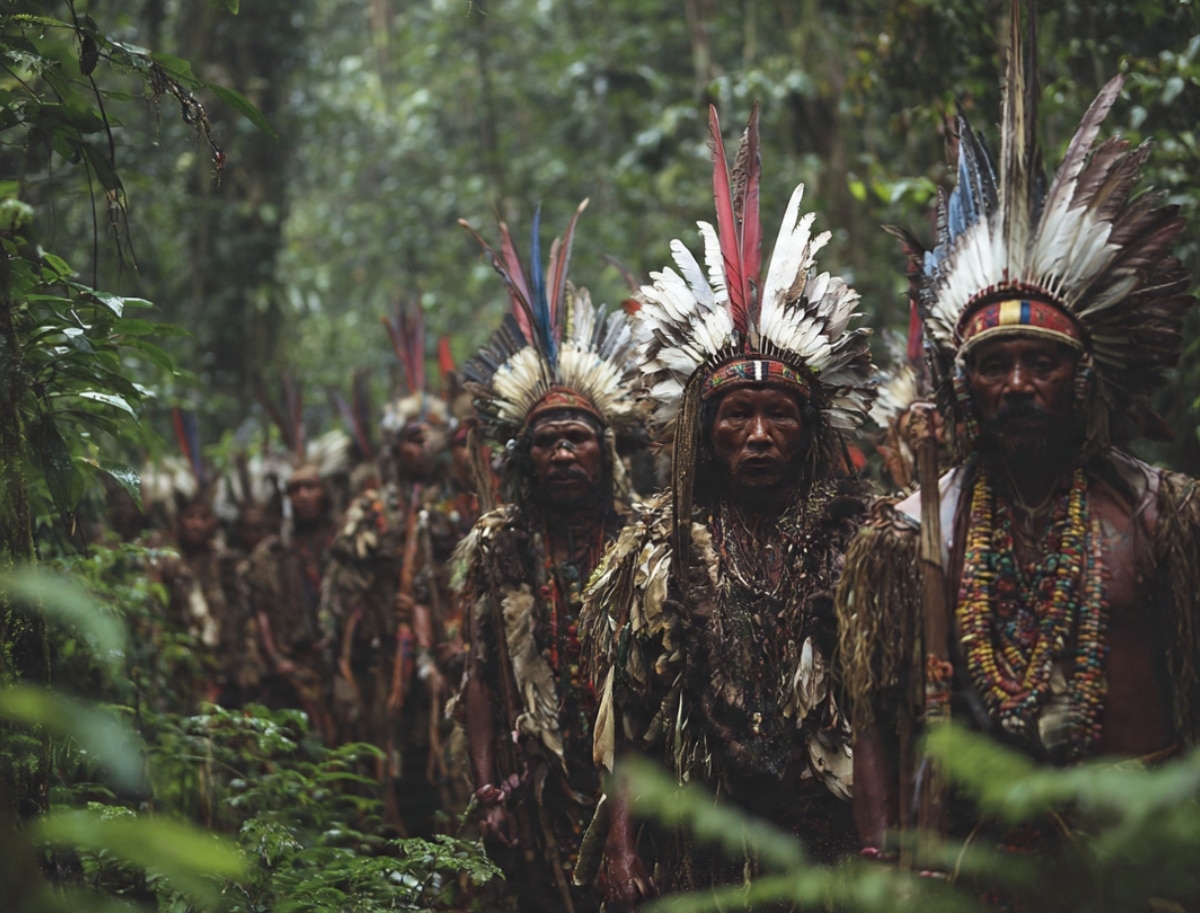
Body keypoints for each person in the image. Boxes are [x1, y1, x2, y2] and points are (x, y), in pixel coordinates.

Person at [836, 3, 1200, 881]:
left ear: (1085, 380)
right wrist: (888, 850)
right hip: (976, 862)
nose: (1019, 384)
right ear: (965, 384)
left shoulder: (1164, 514)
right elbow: (877, 717)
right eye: (995, 365)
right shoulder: (910, 533)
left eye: (1043, 363)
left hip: (1135, 859)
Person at [578, 106, 877, 908]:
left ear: (811, 427)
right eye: (733, 416)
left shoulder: (864, 541)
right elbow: (632, 720)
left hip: (833, 845)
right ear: (702, 434)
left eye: (778, 413)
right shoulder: (661, 549)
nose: (756, 434)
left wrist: (889, 846)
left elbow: (891, 715)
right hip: (705, 852)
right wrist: (624, 842)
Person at [454, 201, 643, 913]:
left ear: (606, 447)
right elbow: (478, 674)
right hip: (533, 783)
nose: (562, 451)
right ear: (524, 457)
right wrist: (485, 787)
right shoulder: (501, 543)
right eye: (546, 441)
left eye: (577, 437)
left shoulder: (641, 542)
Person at [321, 307, 475, 836]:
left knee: (445, 754)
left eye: (433, 436)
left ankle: (454, 854)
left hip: (446, 657)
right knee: (388, 758)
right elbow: (341, 595)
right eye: (414, 437)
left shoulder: (463, 508)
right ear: (395, 446)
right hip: (385, 659)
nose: (424, 445)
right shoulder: (372, 509)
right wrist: (361, 638)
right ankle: (388, 843)